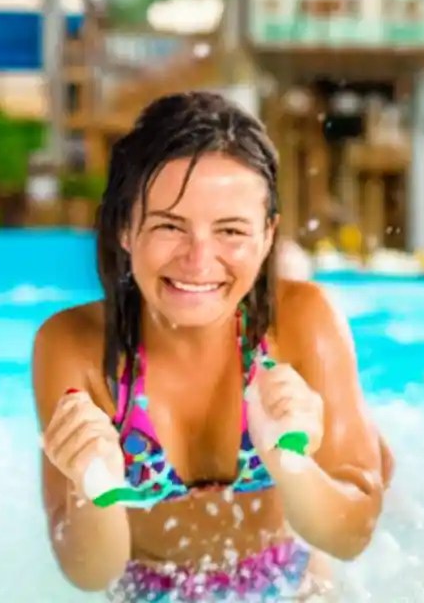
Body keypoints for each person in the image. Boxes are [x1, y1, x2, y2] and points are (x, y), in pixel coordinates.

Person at [32, 92, 393, 601]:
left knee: (370, 465)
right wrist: (98, 488)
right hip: (146, 587)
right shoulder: (75, 346)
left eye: (230, 231)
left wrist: (287, 458)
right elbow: (89, 572)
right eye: (169, 226)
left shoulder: (303, 322)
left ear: (268, 236)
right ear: (124, 229)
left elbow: (350, 535)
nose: (199, 261)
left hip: (292, 579)